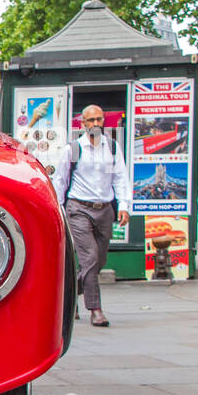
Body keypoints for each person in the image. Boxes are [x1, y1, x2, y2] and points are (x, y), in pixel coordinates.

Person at [52, 105, 130, 327]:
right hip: (79, 209)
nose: (96, 123)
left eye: (99, 119)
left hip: (105, 209)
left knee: (98, 261)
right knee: (90, 258)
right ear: (83, 124)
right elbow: (61, 181)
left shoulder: (112, 147)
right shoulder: (74, 149)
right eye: (91, 120)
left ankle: (69, 296)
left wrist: (123, 206)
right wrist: (59, 209)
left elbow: (120, 178)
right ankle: (95, 309)